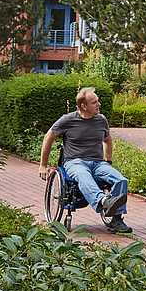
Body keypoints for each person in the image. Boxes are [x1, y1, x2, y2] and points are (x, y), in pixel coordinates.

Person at [39, 87, 132, 234]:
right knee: (83, 175)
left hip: (98, 163)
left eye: (98, 101)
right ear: (84, 106)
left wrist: (108, 161)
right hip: (74, 162)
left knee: (121, 180)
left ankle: (116, 219)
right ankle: (104, 201)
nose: (99, 104)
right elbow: (48, 138)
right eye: (94, 102)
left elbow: (107, 139)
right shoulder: (67, 120)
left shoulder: (101, 120)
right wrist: (43, 166)